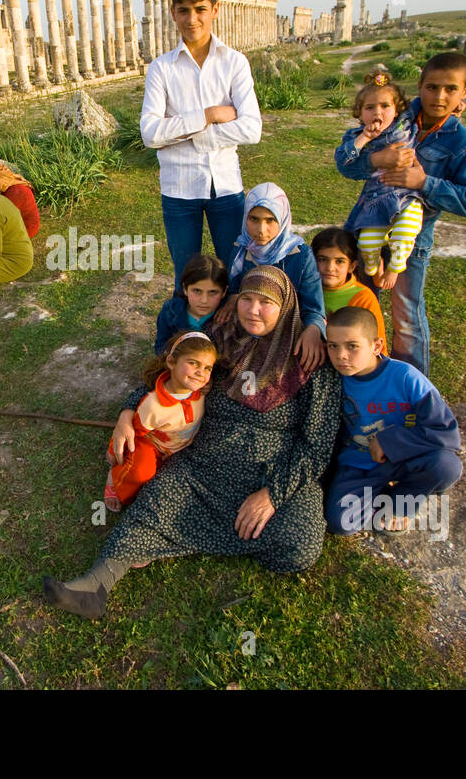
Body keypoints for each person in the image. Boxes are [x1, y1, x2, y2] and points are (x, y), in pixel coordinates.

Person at [43, 266, 341, 619]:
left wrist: (272, 495)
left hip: (272, 472)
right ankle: (95, 587)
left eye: (266, 302)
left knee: (300, 545)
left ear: (286, 307)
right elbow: (169, 381)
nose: (253, 310)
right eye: (246, 298)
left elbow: (317, 446)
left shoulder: (310, 361)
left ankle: (180, 536)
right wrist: (127, 412)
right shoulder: (220, 340)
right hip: (206, 465)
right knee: (156, 498)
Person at [334, 52, 466, 377]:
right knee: (358, 304)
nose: (440, 96)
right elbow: (348, 164)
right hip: (367, 228)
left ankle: (411, 390)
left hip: (411, 241)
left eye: (451, 89)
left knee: (406, 315)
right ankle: (357, 379)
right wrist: (377, 159)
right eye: (432, 87)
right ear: (419, 87)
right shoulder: (396, 112)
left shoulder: (464, 144)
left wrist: (425, 182)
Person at [139, 0, 261, 292]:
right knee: (187, 277)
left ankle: (234, 339)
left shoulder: (235, 63)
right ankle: (188, 340)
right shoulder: (161, 69)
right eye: (184, 10)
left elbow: (251, 128)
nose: (192, 19)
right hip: (178, 188)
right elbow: (150, 133)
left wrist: (188, 134)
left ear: (215, 10)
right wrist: (208, 115)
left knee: (235, 270)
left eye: (200, 9)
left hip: (225, 184)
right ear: (173, 13)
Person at [322, 305, 462, 535]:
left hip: (406, 459)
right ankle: (379, 502)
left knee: (447, 466)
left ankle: (401, 504)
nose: (341, 355)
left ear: (376, 345)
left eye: (352, 346)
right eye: (333, 346)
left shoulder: (406, 378)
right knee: (340, 523)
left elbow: (446, 433)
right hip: (358, 465)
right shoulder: (332, 379)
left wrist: (389, 442)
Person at [217, 182, 326, 370]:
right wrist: (233, 296)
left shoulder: (300, 256)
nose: (261, 229)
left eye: (270, 220)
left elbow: (314, 308)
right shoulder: (241, 248)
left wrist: (314, 330)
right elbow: (234, 287)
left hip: (289, 333)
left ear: (283, 219)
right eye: (254, 219)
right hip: (250, 325)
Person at [104, 330, 216, 511]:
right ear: (171, 362)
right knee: (141, 473)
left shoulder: (200, 390)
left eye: (207, 368)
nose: (200, 373)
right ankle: (115, 479)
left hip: (179, 446)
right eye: (193, 363)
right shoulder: (153, 405)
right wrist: (113, 452)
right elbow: (133, 431)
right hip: (152, 444)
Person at [342, 73, 424, 291]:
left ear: (397, 110)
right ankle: (374, 267)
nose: (378, 112)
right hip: (376, 200)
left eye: (385, 106)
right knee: (367, 244)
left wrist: (455, 108)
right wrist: (364, 139)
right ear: (360, 113)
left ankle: (395, 267)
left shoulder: (405, 123)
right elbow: (343, 160)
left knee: (405, 232)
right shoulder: (357, 136)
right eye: (369, 108)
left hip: (407, 195)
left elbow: (425, 102)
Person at [311, 226, 386, 350]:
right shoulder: (304, 288)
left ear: (352, 266)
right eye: (322, 259)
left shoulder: (363, 298)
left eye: (339, 261)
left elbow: (378, 350)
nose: (330, 268)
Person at [153, 253, 228, 354]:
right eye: (197, 291)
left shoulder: (227, 318)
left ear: (224, 292)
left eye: (213, 292)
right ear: (185, 288)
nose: (204, 300)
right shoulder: (170, 311)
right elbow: (161, 347)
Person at [0, 161, 40, 238]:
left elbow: (3, 219)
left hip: (25, 229)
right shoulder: (11, 186)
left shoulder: (16, 191)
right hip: (20, 224)